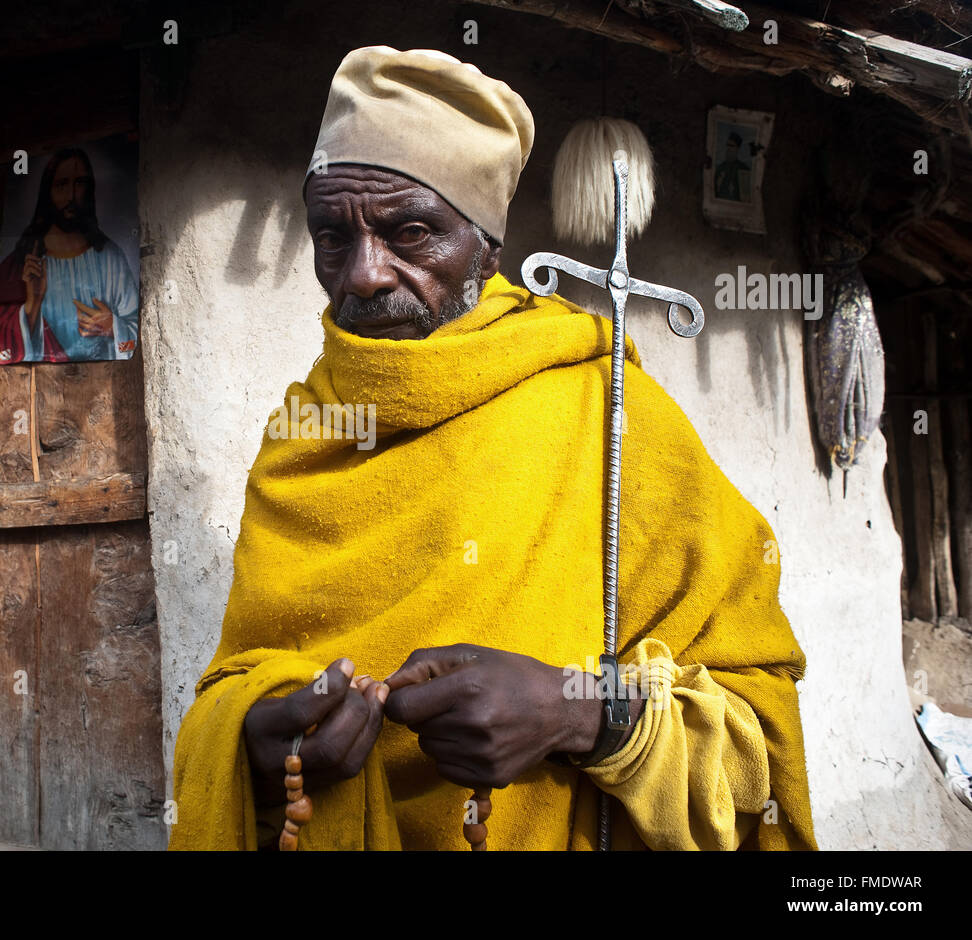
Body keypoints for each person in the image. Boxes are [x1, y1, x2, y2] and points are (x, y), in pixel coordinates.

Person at [169, 46, 816, 851]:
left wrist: (579, 712)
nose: (365, 274)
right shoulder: (305, 439)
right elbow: (233, 684)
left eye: (411, 231)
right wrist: (261, 745)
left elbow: (759, 736)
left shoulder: (610, 416)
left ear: (487, 247)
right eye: (333, 236)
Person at [0, 147, 139, 363]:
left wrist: (113, 326)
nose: (71, 196)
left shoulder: (111, 258)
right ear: (47, 192)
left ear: (90, 190)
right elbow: (3, 339)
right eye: (61, 185)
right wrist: (32, 304)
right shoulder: (21, 264)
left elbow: (134, 327)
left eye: (80, 183)